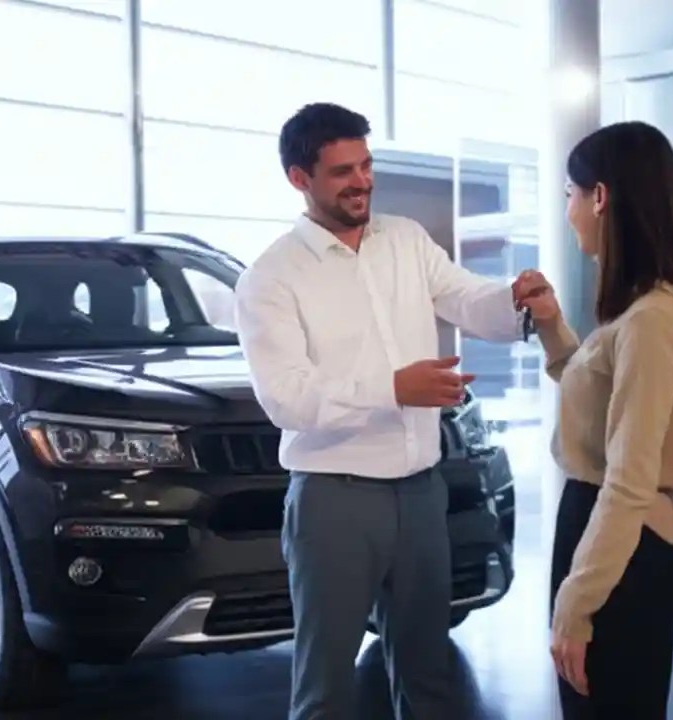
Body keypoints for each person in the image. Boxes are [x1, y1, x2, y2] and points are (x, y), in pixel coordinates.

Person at [233, 102, 539, 720]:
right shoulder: (270, 278)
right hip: (334, 501)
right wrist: (393, 388)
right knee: (326, 687)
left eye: (366, 165)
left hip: (421, 492)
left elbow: (469, 299)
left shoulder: (404, 239)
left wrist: (517, 302)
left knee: (428, 675)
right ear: (300, 178)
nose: (362, 181)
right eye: (343, 171)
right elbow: (286, 398)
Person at [514, 120, 673, 719]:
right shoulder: (645, 309)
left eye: (570, 195)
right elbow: (597, 397)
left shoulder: (650, 319)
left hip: (620, 549)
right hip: (615, 540)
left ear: (600, 197)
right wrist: (551, 323)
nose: (569, 211)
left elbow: (627, 480)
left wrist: (577, 601)